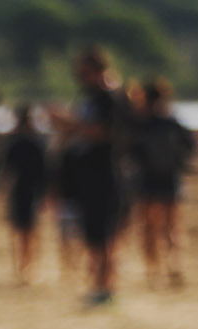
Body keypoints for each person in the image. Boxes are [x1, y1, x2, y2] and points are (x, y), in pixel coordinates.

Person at [60, 46, 128, 305]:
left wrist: (68, 124)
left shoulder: (109, 98)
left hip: (107, 174)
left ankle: (106, 287)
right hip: (89, 175)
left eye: (84, 72)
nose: (80, 77)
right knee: (94, 234)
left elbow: (101, 133)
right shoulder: (91, 97)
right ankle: (99, 285)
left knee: (106, 234)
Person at [129, 78, 198, 286]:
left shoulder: (141, 124)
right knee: (172, 227)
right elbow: (191, 145)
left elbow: (132, 152)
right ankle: (174, 264)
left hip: (148, 182)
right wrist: (180, 161)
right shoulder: (171, 122)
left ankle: (154, 269)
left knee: (150, 228)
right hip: (170, 179)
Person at [0, 104, 49, 283]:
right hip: (21, 190)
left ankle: (29, 265)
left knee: (30, 230)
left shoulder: (34, 144)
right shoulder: (19, 144)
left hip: (30, 190)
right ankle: (23, 265)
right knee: (21, 230)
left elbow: (44, 172)